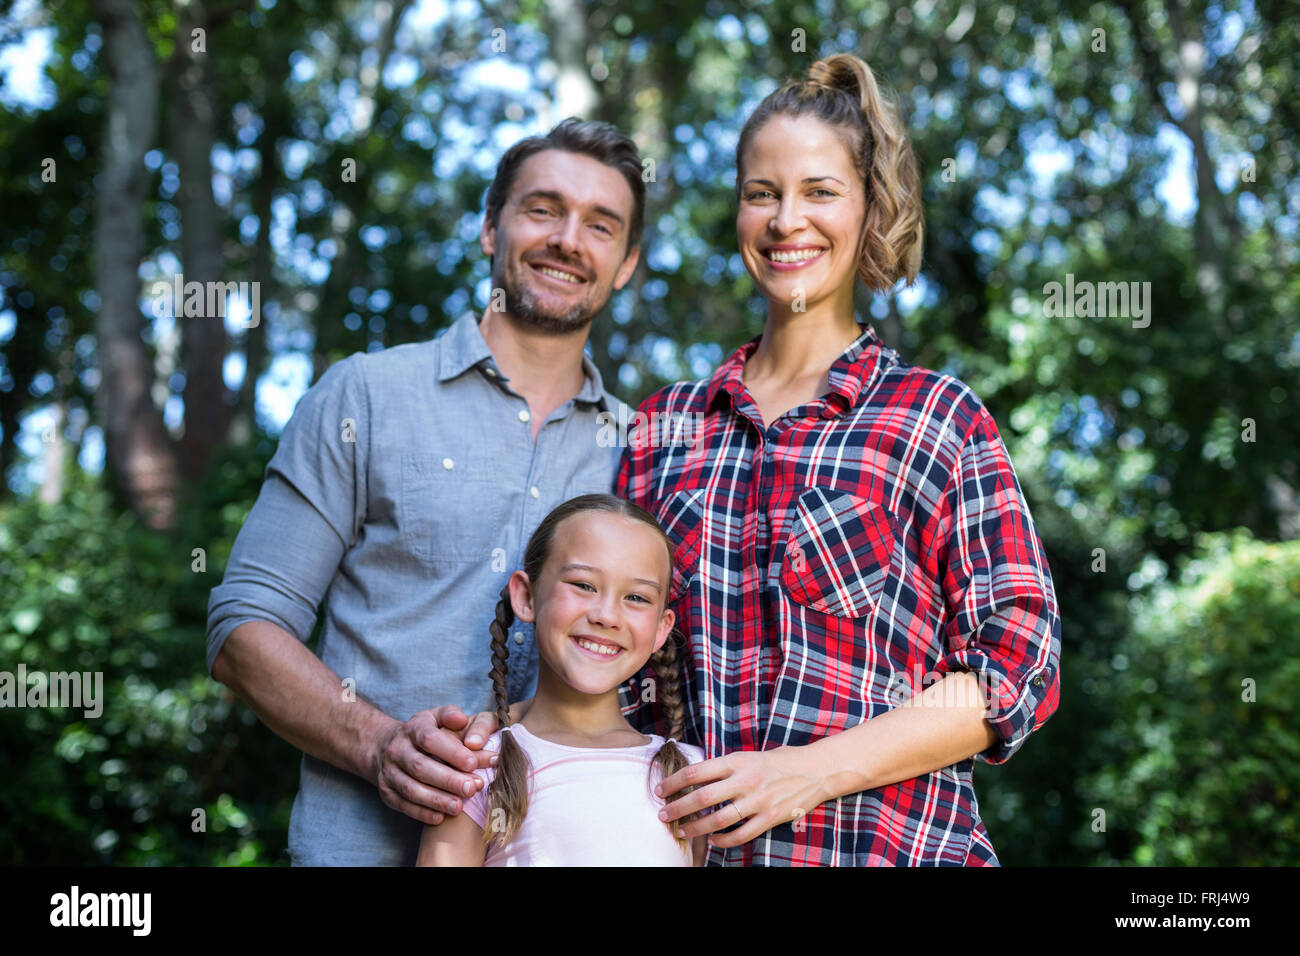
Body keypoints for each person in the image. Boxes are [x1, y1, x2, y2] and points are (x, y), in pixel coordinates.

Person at [617, 54, 1062, 866]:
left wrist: (807, 774)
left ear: (869, 210)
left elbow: (1019, 660)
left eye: (821, 191)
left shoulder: (935, 419)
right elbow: (610, 674)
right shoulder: (661, 430)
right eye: (763, 193)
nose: (788, 220)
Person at [205, 119, 646, 865]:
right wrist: (379, 746)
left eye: (600, 225)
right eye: (542, 210)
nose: (569, 240)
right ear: (489, 227)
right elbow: (244, 628)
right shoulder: (366, 397)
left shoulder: (644, 451)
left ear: (626, 264)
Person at [417, 494, 708, 866]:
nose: (606, 615)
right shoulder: (478, 766)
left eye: (635, 597)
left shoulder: (688, 776)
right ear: (526, 596)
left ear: (660, 630)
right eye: (584, 585)